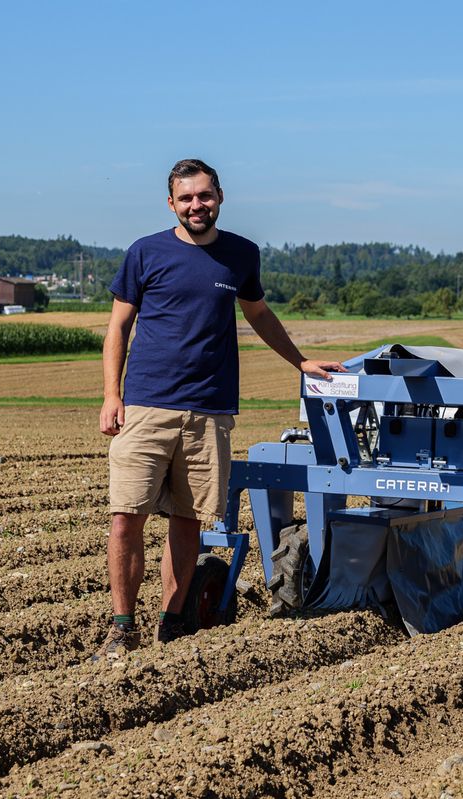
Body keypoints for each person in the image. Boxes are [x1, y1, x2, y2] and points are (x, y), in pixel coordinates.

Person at [93, 158, 346, 662]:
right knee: (126, 518)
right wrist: (111, 394)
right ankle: (122, 629)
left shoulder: (240, 255)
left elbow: (259, 315)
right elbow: (118, 327)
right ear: (171, 203)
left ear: (220, 197)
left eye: (204, 196)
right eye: (186, 198)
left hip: (209, 412)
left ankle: (173, 623)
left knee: (188, 523)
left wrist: (301, 361)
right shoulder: (146, 253)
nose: (196, 206)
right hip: (145, 407)